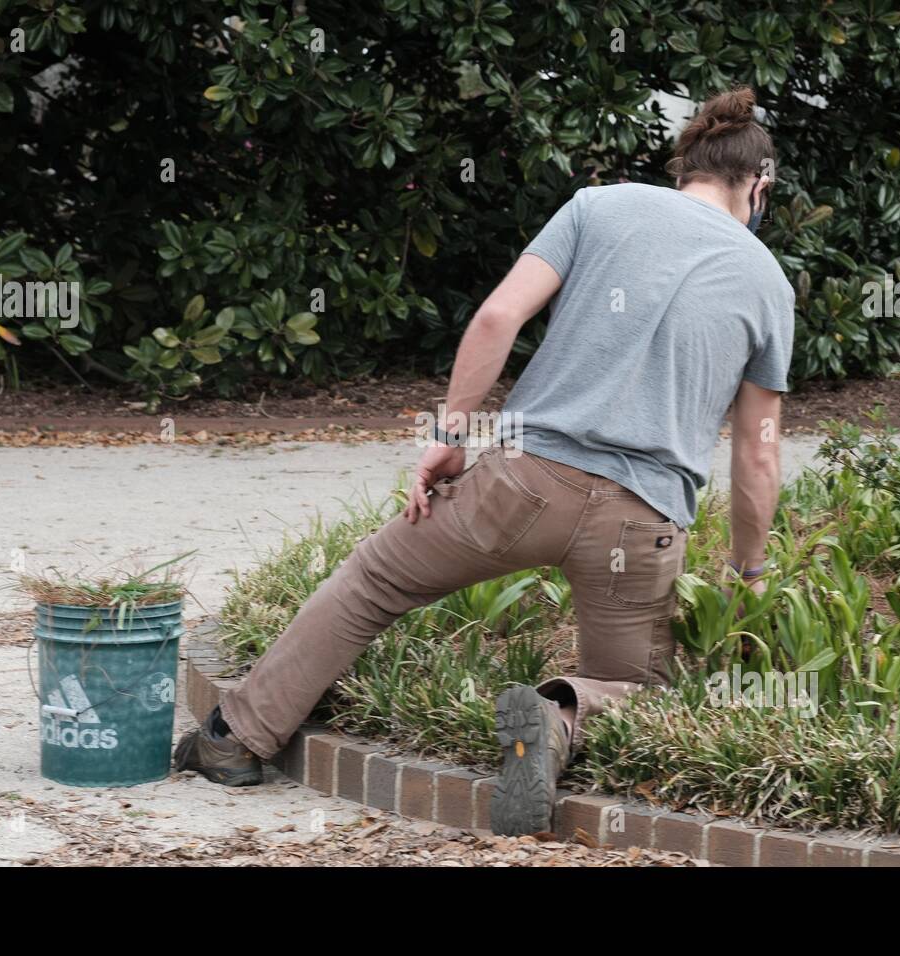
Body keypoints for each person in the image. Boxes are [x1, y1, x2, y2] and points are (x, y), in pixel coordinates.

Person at [173, 85, 795, 836]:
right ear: (759, 186)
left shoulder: (598, 207)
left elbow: (499, 315)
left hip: (524, 482)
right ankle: (559, 713)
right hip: (641, 522)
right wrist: (750, 569)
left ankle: (235, 740)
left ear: (685, 168)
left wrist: (449, 435)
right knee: (634, 683)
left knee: (371, 581)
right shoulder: (768, 281)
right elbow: (757, 454)